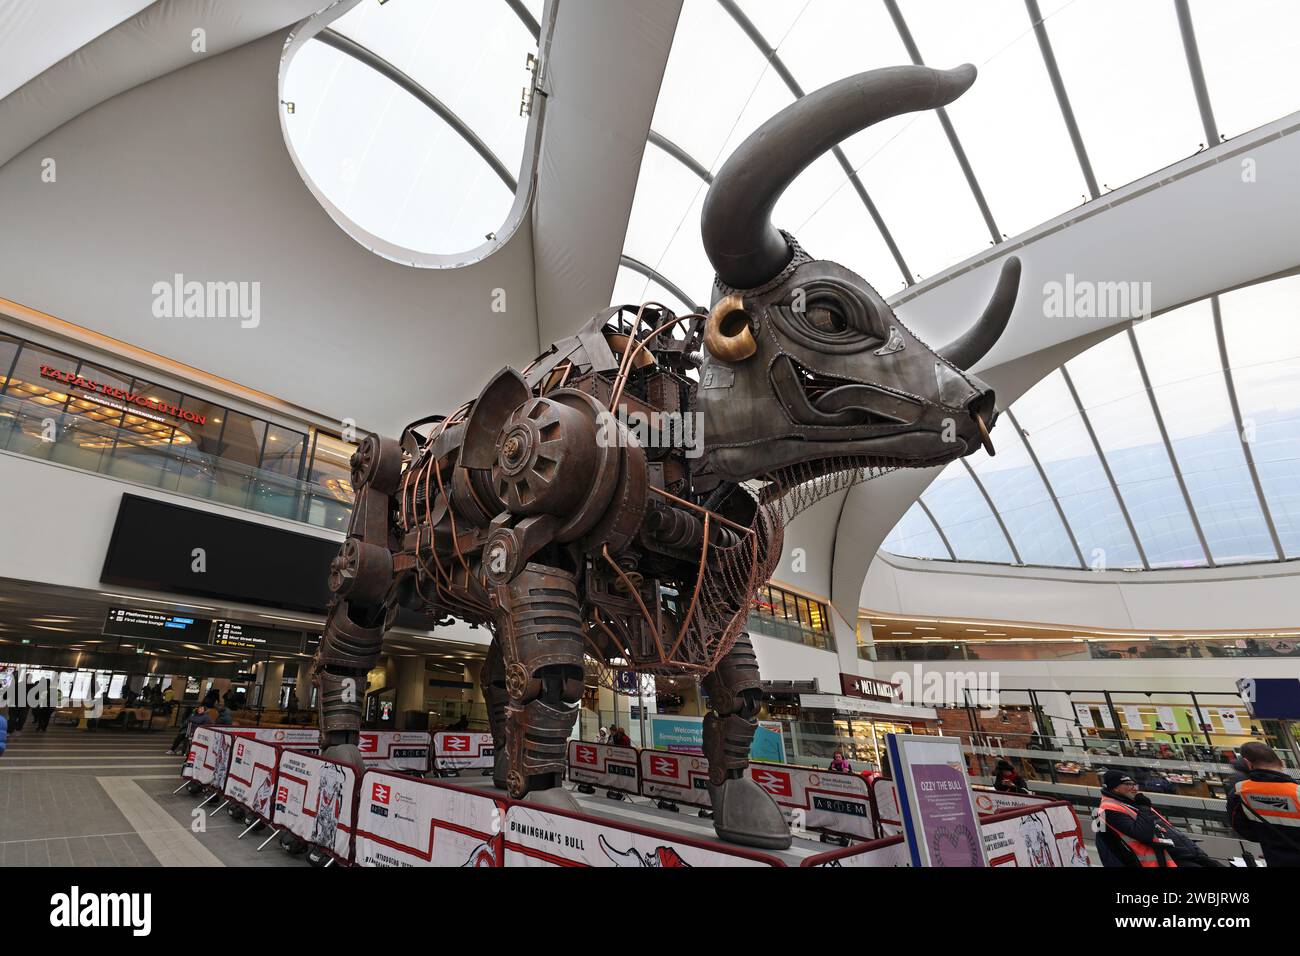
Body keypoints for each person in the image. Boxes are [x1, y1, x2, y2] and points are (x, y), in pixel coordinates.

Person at [1094, 770, 1218, 867]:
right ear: (1114, 787)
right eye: (1127, 784)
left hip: (1188, 852)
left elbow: (1164, 827)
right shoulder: (1109, 809)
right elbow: (1143, 834)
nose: (1133, 788)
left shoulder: (1132, 802)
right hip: (1167, 858)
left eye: (1133, 784)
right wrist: (1144, 807)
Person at [1226, 742, 1300, 867]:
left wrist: (1268, 838)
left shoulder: (1240, 792)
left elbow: (1241, 827)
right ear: (1282, 762)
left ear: (1248, 763)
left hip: (1275, 859)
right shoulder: (1296, 792)